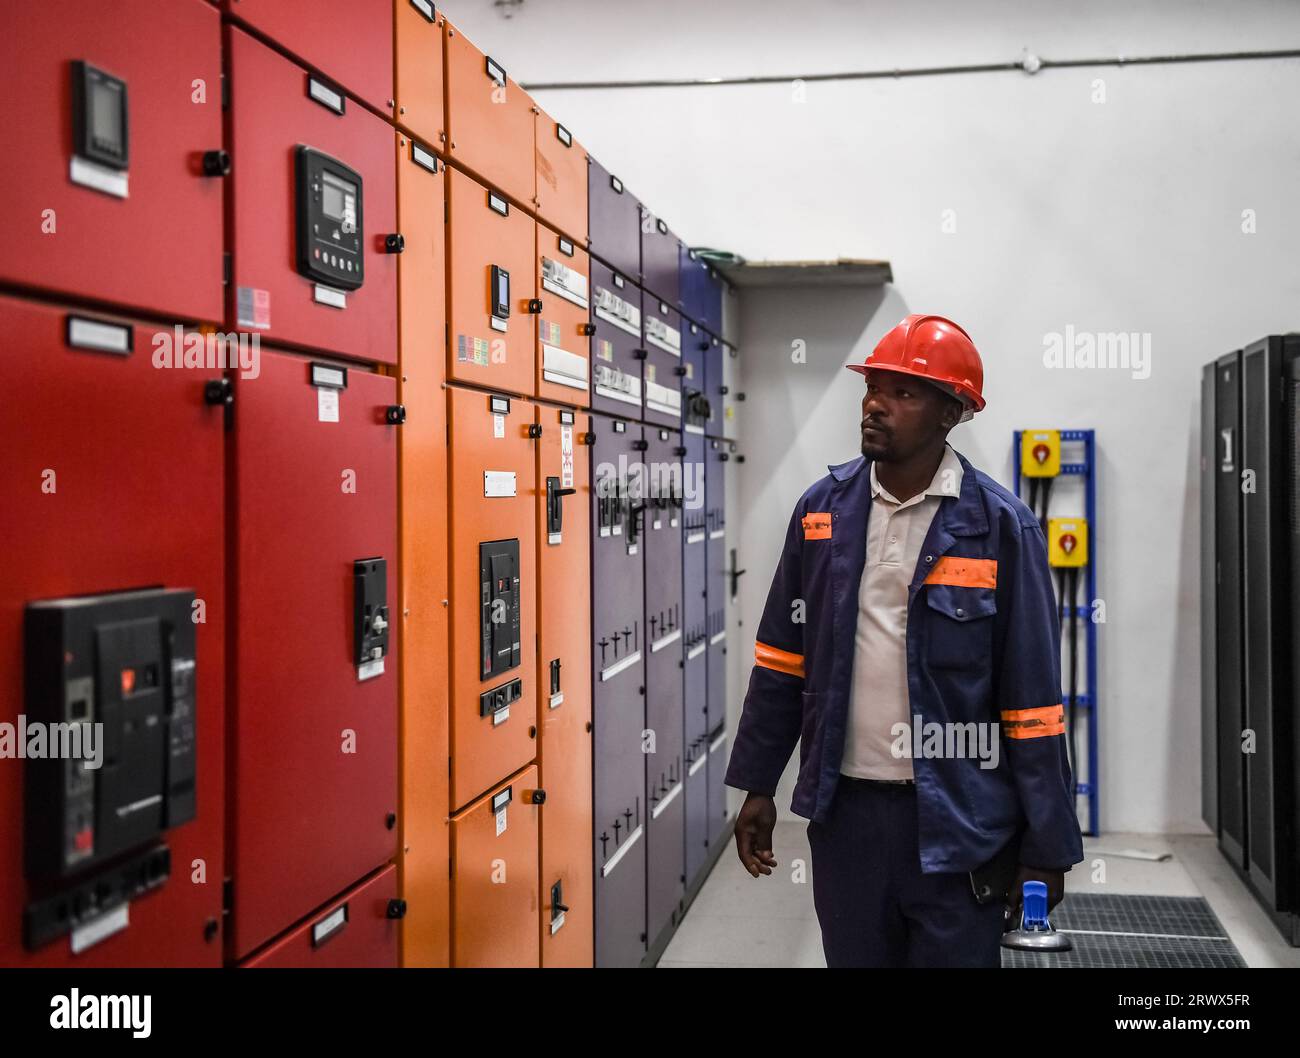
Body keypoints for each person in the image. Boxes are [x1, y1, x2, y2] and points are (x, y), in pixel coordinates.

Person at [724, 314, 1084, 968]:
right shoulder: (821, 514)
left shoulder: (1002, 528)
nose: (876, 406)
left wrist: (1046, 847)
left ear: (952, 413)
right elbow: (781, 659)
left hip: (961, 825)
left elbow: (1033, 703)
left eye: (904, 393)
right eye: (873, 390)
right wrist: (757, 783)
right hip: (848, 819)